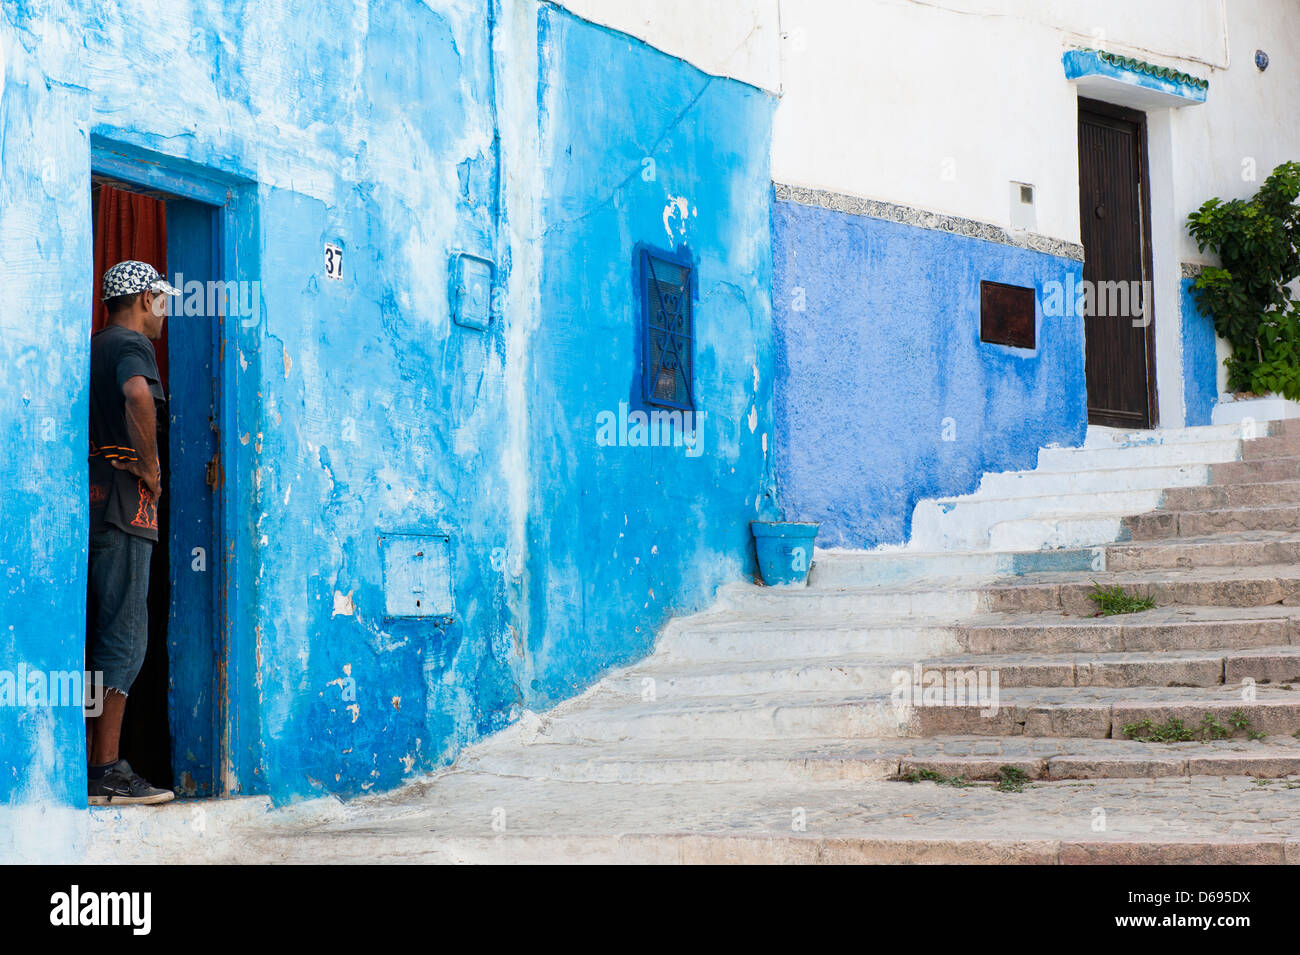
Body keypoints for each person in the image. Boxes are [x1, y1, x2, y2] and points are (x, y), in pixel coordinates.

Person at [85, 260, 180, 805]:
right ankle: (106, 771)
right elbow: (138, 395)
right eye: (161, 300)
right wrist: (151, 468)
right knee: (125, 635)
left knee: (103, 634)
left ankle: (98, 765)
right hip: (126, 508)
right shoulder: (130, 344)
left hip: (95, 501)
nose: (164, 312)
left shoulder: (95, 343)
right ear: (145, 299)